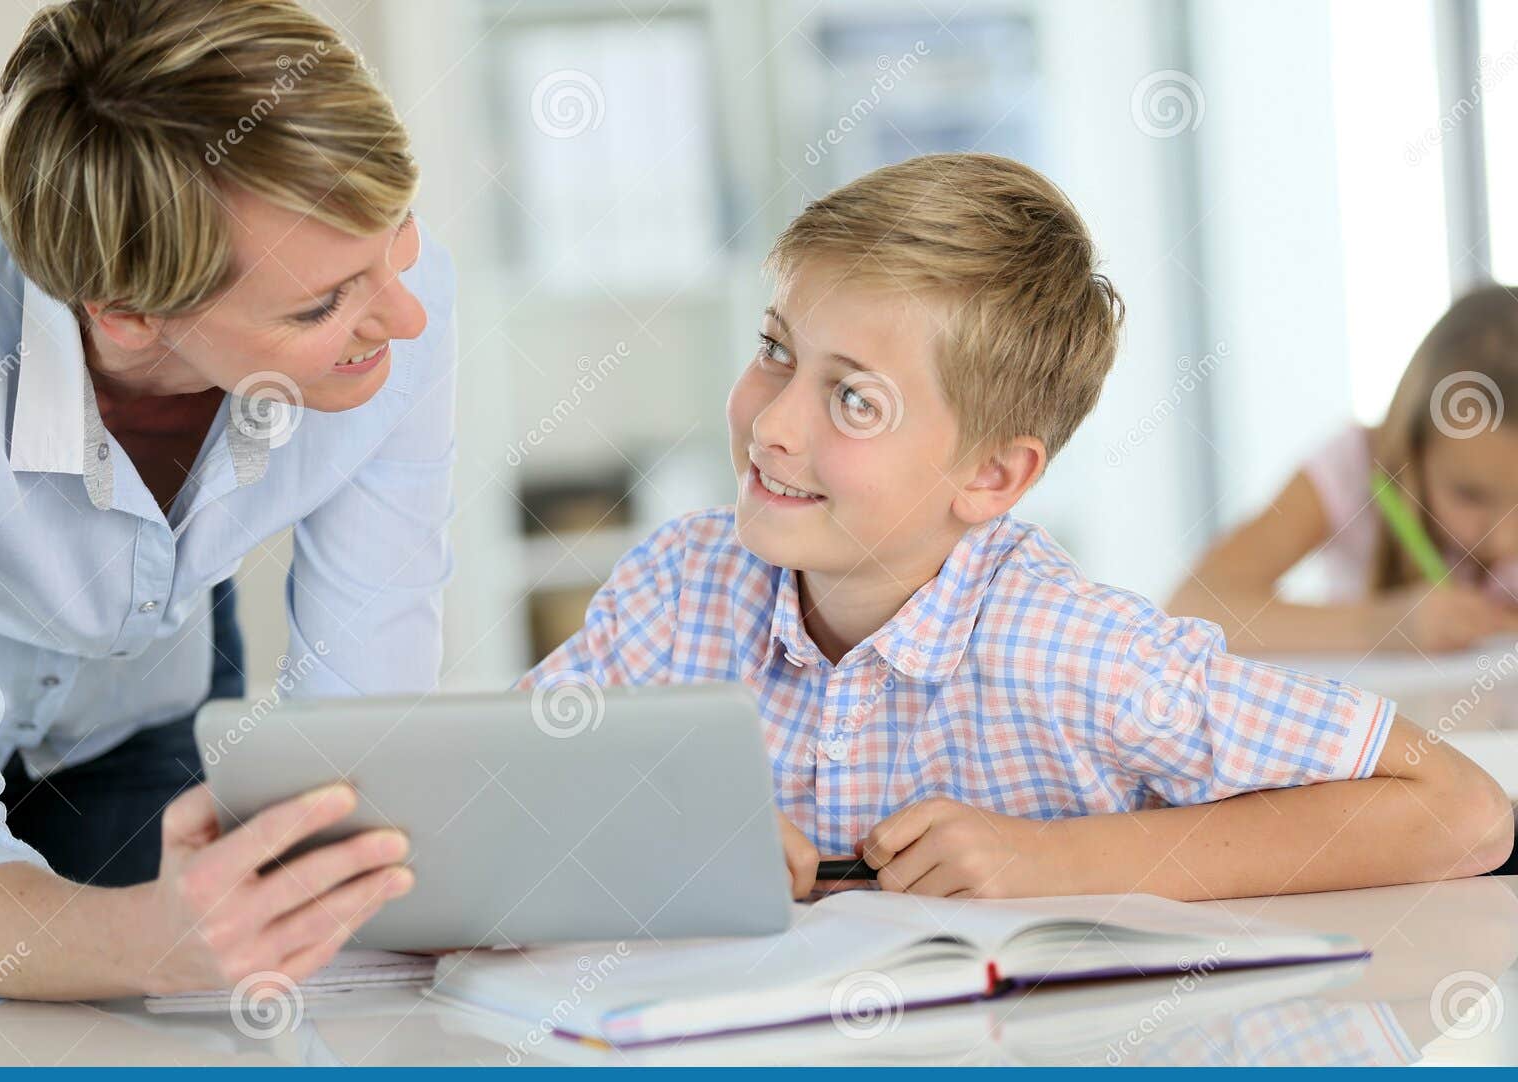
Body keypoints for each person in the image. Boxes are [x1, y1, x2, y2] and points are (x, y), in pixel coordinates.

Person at [519, 153, 1513, 902]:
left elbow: (1463, 812)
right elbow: (475, 801)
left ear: (993, 474)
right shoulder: (678, 587)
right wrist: (642, 834)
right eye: (776, 350)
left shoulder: (1081, 653)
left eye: (853, 400)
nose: (771, 425)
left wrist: (1060, 857)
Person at [0, 0, 455, 1001]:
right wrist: (145, 943)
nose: (405, 312)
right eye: (317, 304)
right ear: (124, 315)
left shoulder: (386, 301)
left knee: (177, 1016)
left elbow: (364, 740)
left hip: (137, 703)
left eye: (398, 238)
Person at [1168, 285, 1518, 654]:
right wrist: (1386, 627)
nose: (1505, 538)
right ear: (1411, 449)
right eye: (1470, 494)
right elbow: (1189, 610)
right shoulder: (1352, 467)